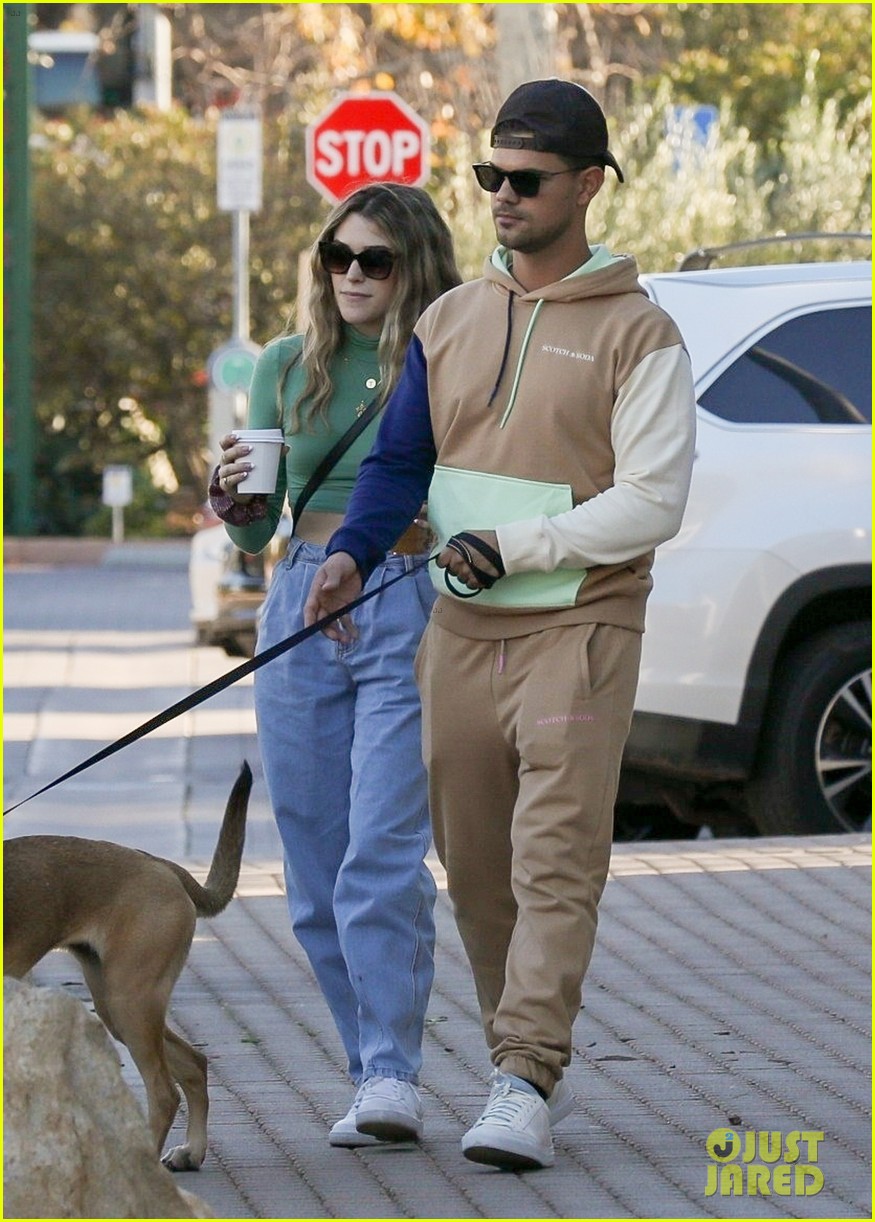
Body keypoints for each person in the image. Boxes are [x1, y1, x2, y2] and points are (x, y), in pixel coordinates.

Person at [304, 79, 697, 1171]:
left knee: (554, 863)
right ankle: (506, 1062)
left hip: (580, 632)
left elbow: (653, 500)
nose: (500, 196)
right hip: (459, 635)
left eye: (524, 180)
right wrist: (346, 554)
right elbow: (398, 464)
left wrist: (520, 547)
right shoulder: (449, 318)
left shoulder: (639, 332)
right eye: (488, 177)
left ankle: (524, 1074)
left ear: (586, 184)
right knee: (474, 871)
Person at [211, 184, 462, 1148]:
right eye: (336, 256)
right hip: (300, 598)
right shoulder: (284, 364)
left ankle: (394, 1073)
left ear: (414, 266)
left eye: (375, 260)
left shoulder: (443, 357)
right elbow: (254, 532)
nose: (351, 276)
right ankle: (364, 1068)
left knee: (382, 856)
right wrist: (229, 502)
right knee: (313, 868)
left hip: (406, 588)